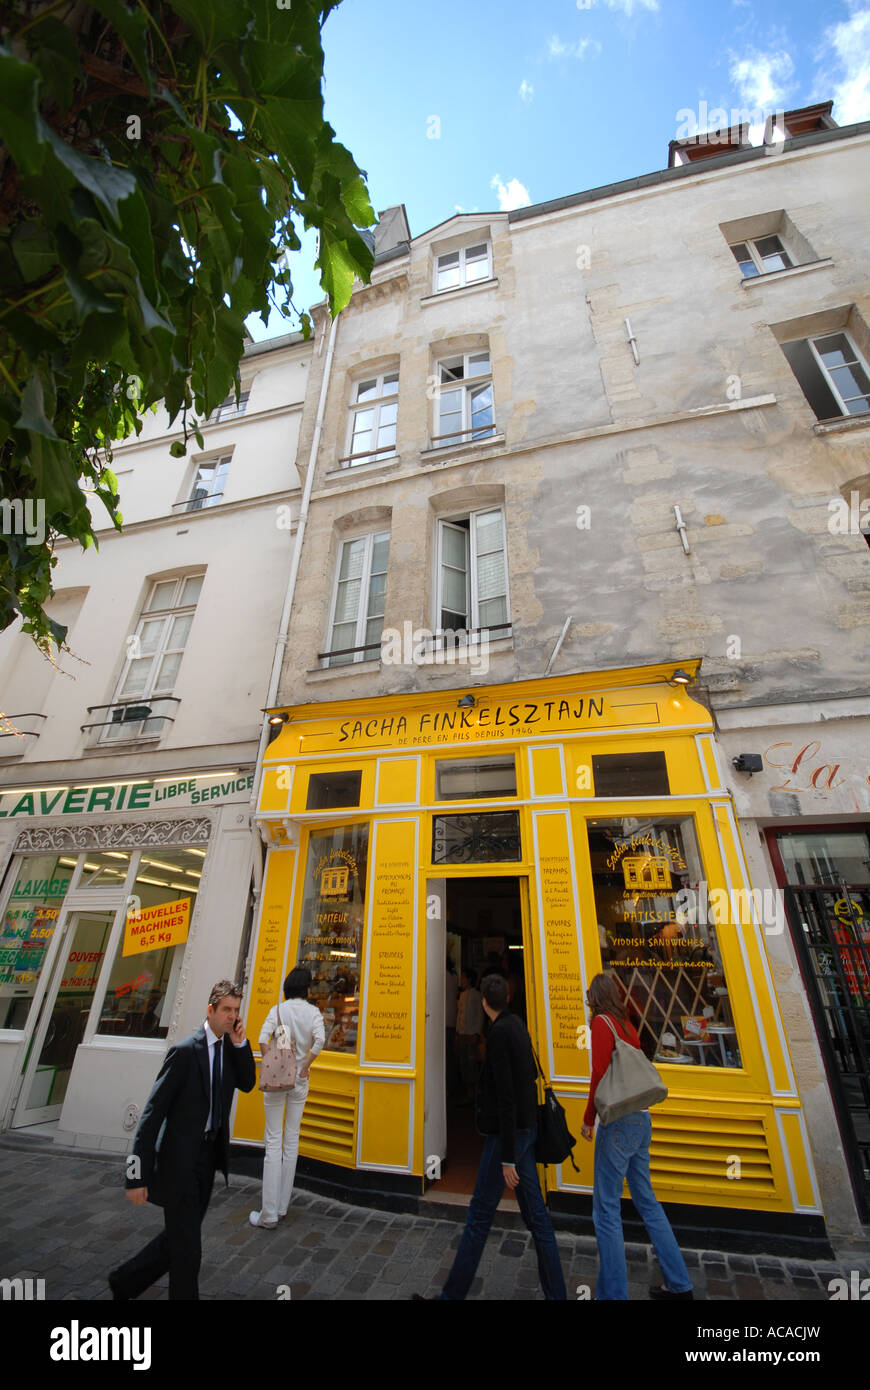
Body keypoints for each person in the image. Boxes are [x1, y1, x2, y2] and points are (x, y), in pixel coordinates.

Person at [109, 979, 256, 1301]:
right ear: (210, 1010)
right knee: (188, 1250)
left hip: (207, 1158)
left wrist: (241, 1042)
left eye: (236, 1011)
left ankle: (125, 1281)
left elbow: (247, 1083)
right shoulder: (185, 1051)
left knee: (179, 1237)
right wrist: (136, 1175)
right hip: (178, 1162)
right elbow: (152, 1115)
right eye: (226, 1010)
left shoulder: (231, 1049)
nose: (232, 1016)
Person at [434, 973, 567, 1300]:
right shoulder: (518, 1026)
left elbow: (507, 1099)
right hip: (526, 1131)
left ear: (484, 1002)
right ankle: (558, 1294)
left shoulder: (498, 1035)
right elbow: (528, 1080)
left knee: (479, 1216)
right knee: (537, 1219)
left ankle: (450, 1296)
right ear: (506, 998)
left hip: (510, 1137)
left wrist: (507, 1156)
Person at [581, 971, 693, 1301]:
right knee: (647, 1202)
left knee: (605, 1212)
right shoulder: (627, 1024)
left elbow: (600, 1073)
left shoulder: (603, 1024)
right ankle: (679, 1283)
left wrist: (589, 1119)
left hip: (618, 1123)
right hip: (642, 1120)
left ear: (595, 998)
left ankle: (613, 1295)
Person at [250, 967, 325, 1228]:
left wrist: (274, 1058)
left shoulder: (278, 1011)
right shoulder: (313, 1012)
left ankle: (268, 1214)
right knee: (291, 1140)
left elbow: (261, 1039)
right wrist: (305, 1065)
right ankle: (281, 1206)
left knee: (273, 1141)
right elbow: (320, 1040)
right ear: (306, 988)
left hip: (277, 1078)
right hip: (300, 1079)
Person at [455, 968, 484, 1105]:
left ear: (469, 979)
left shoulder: (476, 995)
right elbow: (459, 1014)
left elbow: (479, 1015)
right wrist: (457, 1031)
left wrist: (477, 1032)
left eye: (463, 977)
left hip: (471, 1033)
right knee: (463, 1062)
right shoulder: (462, 995)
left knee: (471, 1063)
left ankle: (474, 1093)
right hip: (462, 1033)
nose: (461, 980)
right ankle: (468, 1092)